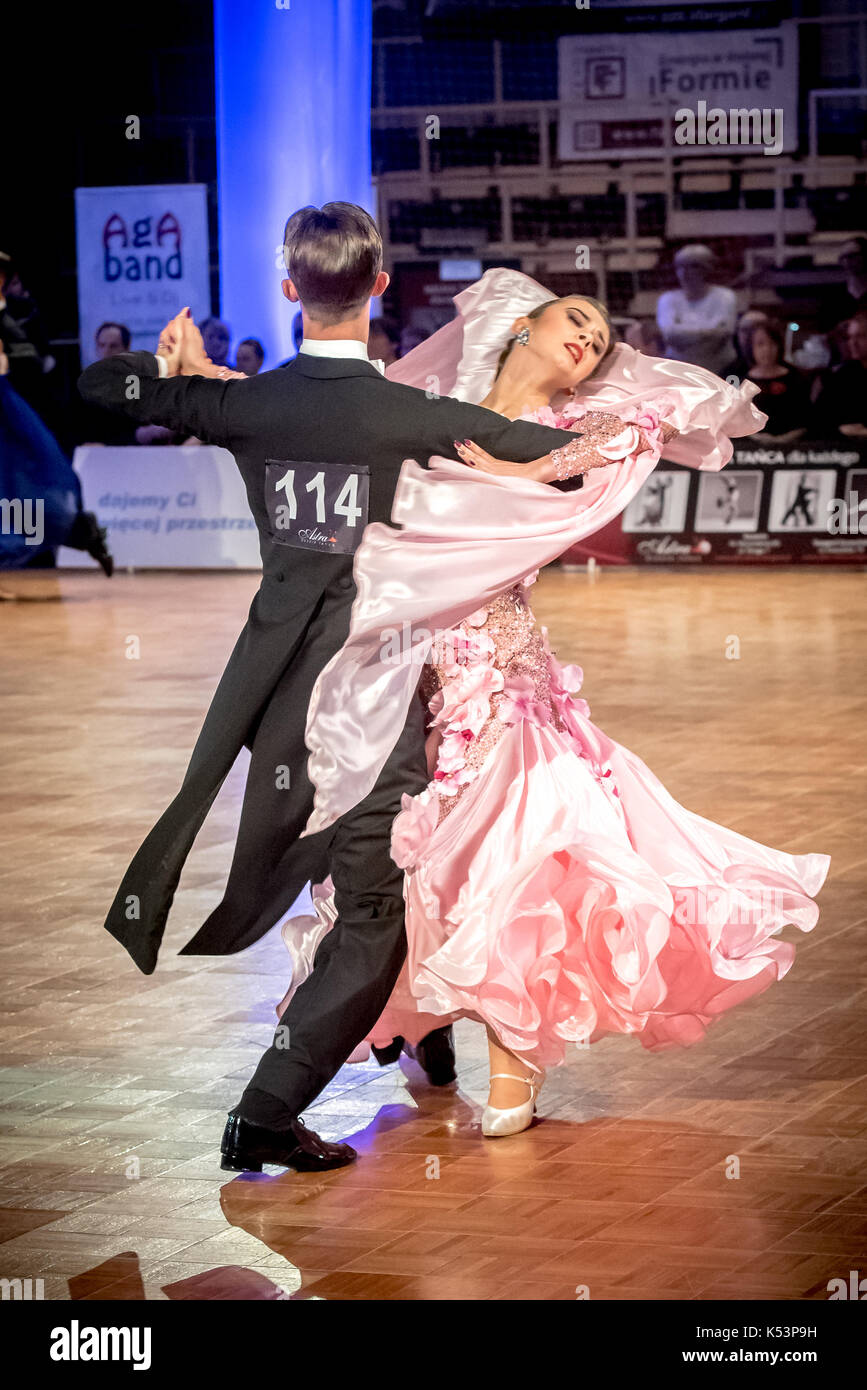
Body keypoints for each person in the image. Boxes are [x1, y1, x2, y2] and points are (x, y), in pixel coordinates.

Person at [77, 203, 585, 1174]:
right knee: (370, 919)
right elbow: (551, 463)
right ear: (381, 283)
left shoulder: (252, 405)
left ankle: (415, 1039)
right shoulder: (414, 417)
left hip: (277, 711)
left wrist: (181, 369)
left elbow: (101, 386)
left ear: (286, 289)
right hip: (373, 707)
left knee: (364, 890)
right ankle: (266, 1109)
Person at [284, 268, 829, 1140]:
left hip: (499, 678)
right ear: (520, 326)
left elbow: (612, 448)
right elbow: (311, 428)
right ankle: (419, 1019)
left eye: (601, 340)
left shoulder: (581, 427)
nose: (589, 338)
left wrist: (526, 457)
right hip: (399, 674)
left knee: (518, 856)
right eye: (575, 319)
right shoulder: (425, 404)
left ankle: (512, 1060)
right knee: (409, 861)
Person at [657, 244, 738, 376]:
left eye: (692, 267)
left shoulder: (725, 297)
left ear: (706, 269)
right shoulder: (667, 300)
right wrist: (708, 333)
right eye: (680, 267)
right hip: (680, 372)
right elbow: (669, 335)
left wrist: (682, 336)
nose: (684, 273)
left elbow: (723, 334)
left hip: (720, 370)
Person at [742, 320, 810, 444]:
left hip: (793, 446)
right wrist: (758, 438)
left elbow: (806, 419)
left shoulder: (795, 378)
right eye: (760, 344)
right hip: (751, 448)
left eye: (772, 344)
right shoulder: (742, 382)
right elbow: (737, 421)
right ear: (751, 347)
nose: (767, 350)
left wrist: (782, 440)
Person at [812, 312, 867, 438]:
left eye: (861, 336)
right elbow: (818, 420)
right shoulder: (840, 376)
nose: (853, 343)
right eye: (850, 337)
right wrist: (840, 430)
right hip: (844, 448)